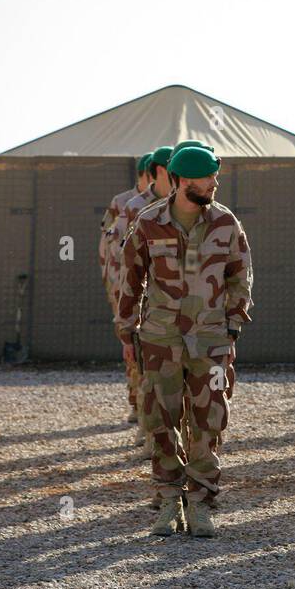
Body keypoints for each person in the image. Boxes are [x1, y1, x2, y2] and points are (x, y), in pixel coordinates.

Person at [117, 146, 253, 537]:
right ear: (185, 181)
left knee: (209, 418)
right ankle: (167, 499)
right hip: (161, 338)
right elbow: (130, 277)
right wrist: (128, 330)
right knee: (160, 419)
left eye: (214, 177)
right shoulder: (149, 222)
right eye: (207, 178)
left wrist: (232, 325)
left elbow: (240, 275)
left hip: (211, 340)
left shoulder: (225, 223)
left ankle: (201, 502)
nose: (214, 183)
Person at [102, 154, 156, 424]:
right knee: (132, 347)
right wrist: (113, 284)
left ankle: (147, 408)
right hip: (125, 286)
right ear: (146, 174)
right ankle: (136, 401)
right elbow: (108, 247)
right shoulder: (124, 204)